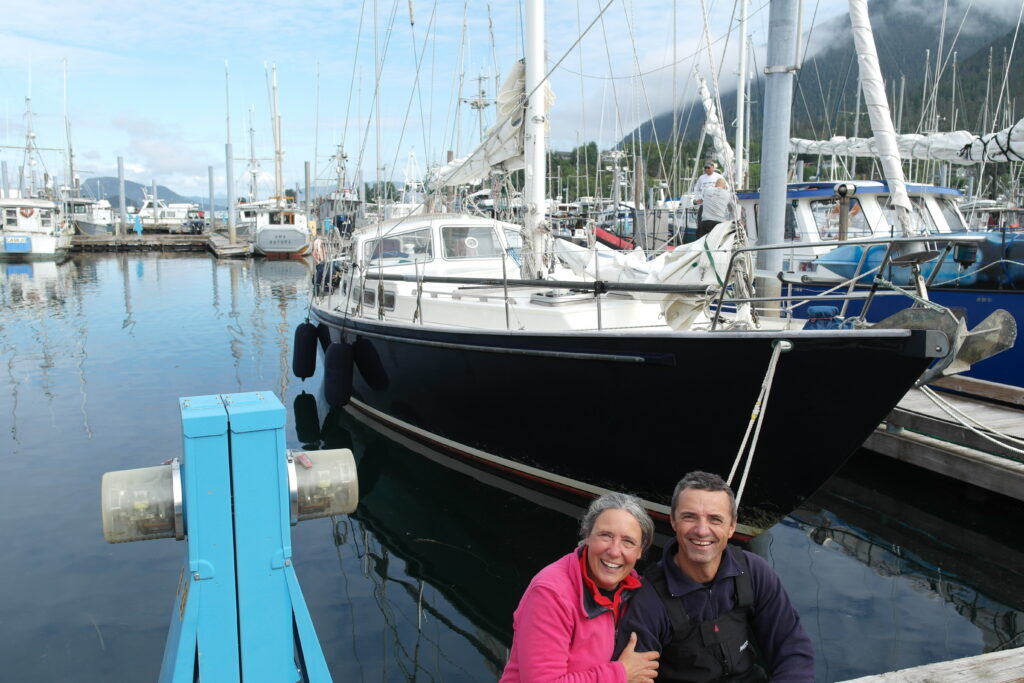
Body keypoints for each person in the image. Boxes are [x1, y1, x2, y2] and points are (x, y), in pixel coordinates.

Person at [615, 472, 815, 683]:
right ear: (673, 521)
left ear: (732, 526)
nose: (702, 530)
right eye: (689, 517)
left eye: (715, 519)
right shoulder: (648, 600)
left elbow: (791, 648)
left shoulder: (754, 571)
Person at [500, 492, 661, 683]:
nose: (614, 551)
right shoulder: (550, 594)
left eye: (628, 541)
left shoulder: (637, 590)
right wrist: (621, 674)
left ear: (639, 551)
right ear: (587, 536)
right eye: (605, 535)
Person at [692, 162, 726, 227]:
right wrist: (698, 198)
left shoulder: (719, 176)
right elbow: (696, 188)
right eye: (705, 168)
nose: (707, 169)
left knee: (715, 222)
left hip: (715, 204)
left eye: (708, 168)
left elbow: (726, 187)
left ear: (713, 168)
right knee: (701, 221)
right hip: (704, 203)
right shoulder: (701, 178)